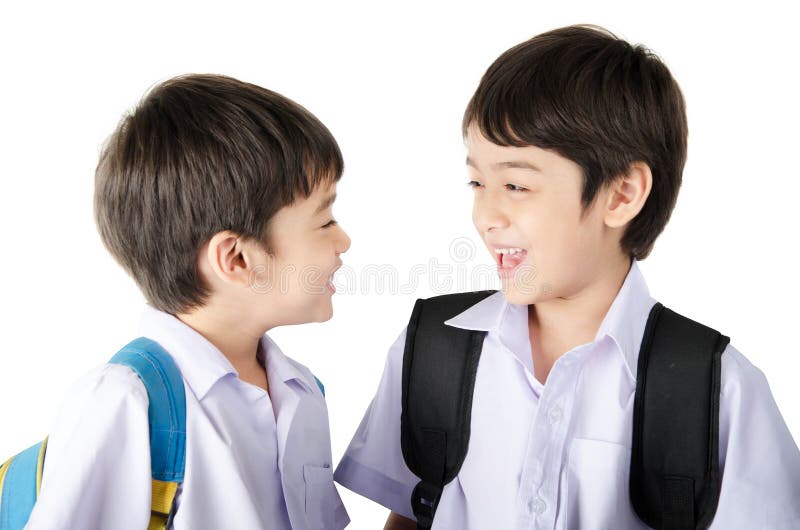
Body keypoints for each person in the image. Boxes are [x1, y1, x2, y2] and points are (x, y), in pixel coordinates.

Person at [334, 25, 800, 529]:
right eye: (477, 181)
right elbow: (411, 512)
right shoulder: (433, 348)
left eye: (515, 184)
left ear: (621, 195)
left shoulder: (720, 389)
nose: (485, 214)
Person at [25, 74, 351, 529]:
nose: (344, 240)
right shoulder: (126, 402)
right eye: (325, 221)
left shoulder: (302, 392)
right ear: (236, 258)